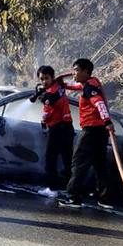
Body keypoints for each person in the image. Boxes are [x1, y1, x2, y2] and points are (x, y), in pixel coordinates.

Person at [57, 58, 119, 209]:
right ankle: (105, 199)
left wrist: (107, 121)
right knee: (100, 165)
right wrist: (63, 84)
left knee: (78, 162)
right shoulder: (92, 83)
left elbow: (99, 103)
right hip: (100, 132)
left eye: (77, 70)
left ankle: (73, 197)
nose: (74, 74)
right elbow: (77, 86)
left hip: (91, 130)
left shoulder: (89, 88)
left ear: (86, 72)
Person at [29, 65, 75, 198]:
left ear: (53, 77)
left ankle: (53, 189)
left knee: (50, 157)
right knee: (67, 160)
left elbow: (47, 111)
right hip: (67, 127)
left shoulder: (51, 93)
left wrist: (43, 122)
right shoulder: (59, 87)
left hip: (57, 128)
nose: (44, 81)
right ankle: (73, 191)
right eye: (41, 79)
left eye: (46, 78)